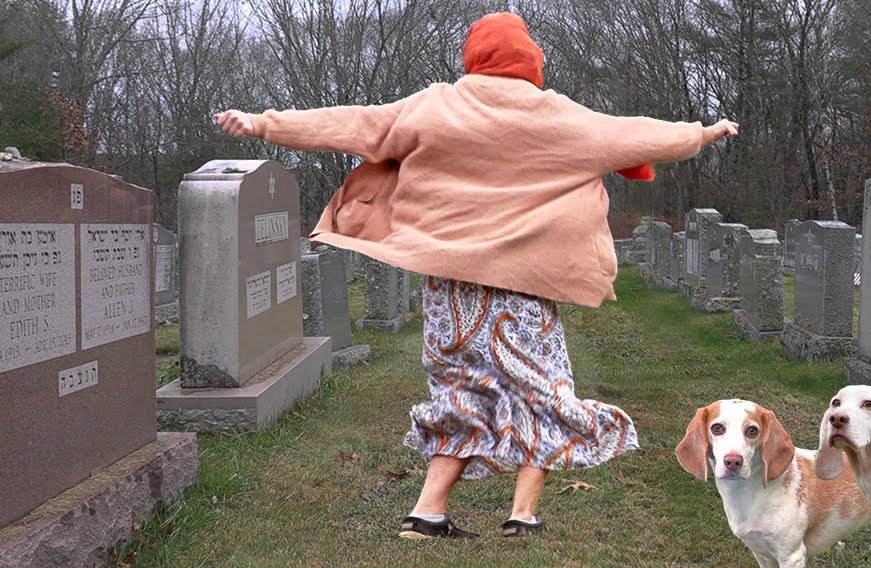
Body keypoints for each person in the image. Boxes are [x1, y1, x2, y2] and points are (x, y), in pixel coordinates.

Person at [214, 11, 737, 539]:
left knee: (460, 393)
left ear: (475, 57)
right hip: (524, 285)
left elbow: (351, 123)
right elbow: (631, 136)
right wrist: (702, 132)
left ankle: (428, 513)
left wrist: (263, 123)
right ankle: (521, 515)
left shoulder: (436, 105)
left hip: (449, 286)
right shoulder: (555, 113)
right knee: (544, 390)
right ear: (530, 58)